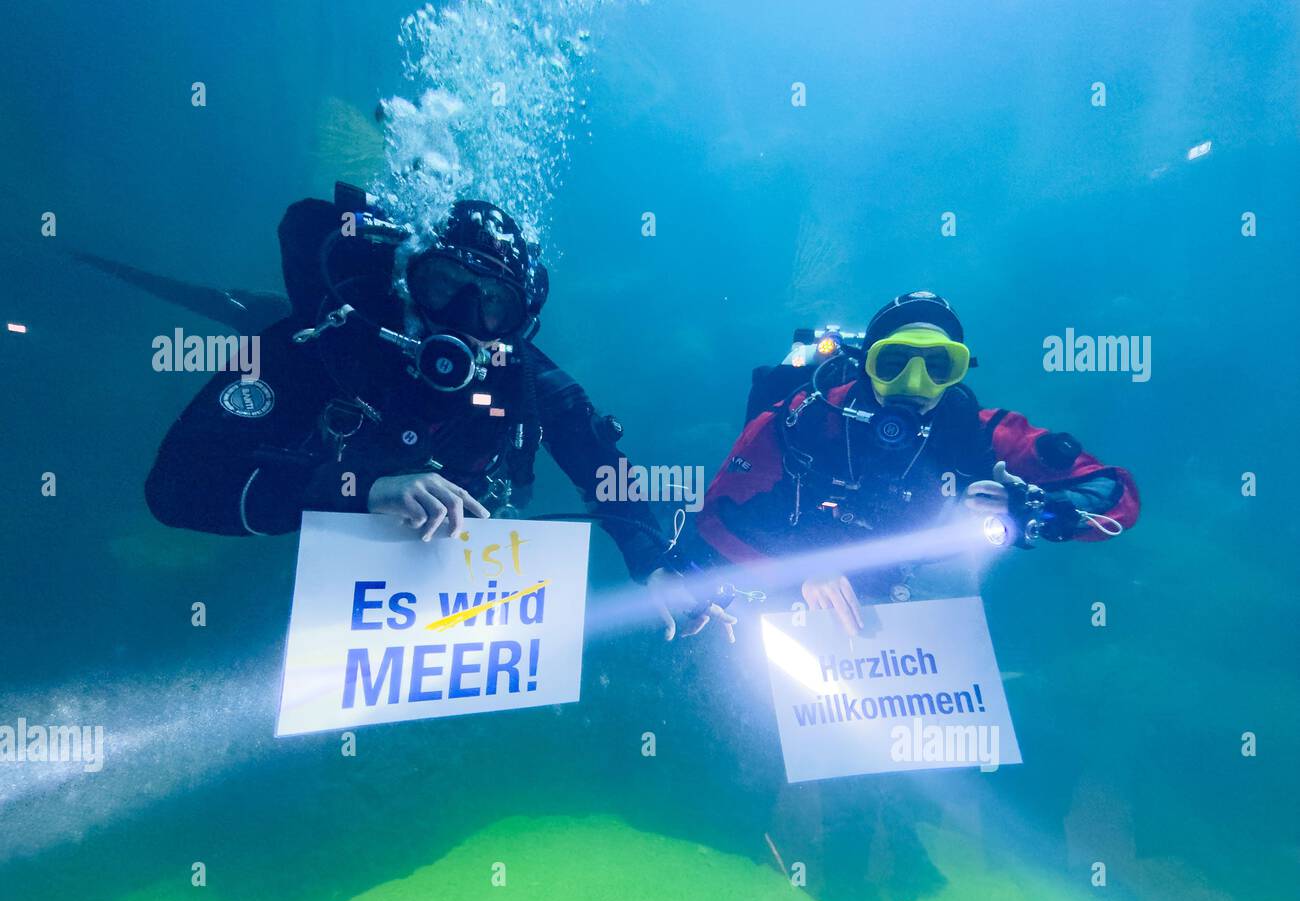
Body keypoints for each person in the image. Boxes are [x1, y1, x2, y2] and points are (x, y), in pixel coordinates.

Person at [145, 185, 724, 636]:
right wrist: (361, 489)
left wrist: (653, 559)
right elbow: (175, 486)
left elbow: (597, 457)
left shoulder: (522, 375)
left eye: (494, 303)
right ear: (405, 281)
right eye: (444, 285)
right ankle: (242, 308)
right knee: (262, 328)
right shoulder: (325, 341)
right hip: (309, 542)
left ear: (519, 325)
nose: (464, 315)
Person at [686, 291, 1140, 632]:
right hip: (792, 566)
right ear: (867, 363)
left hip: (908, 586)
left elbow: (1113, 489)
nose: (916, 383)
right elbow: (718, 517)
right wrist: (803, 569)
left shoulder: (973, 432)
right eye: (894, 362)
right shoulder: (804, 418)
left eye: (939, 367)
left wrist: (1036, 506)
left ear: (958, 373)